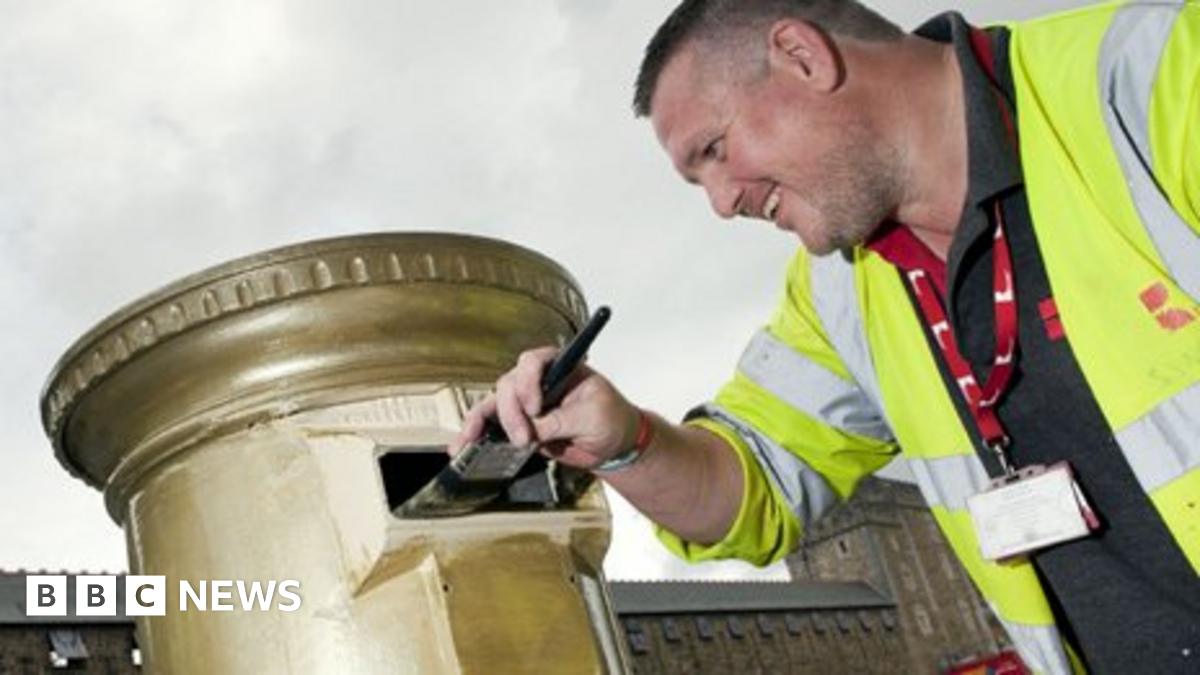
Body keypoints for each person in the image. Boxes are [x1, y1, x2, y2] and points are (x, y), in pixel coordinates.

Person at [452, 1, 1200, 673]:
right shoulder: (840, 290)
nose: (721, 203)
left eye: (713, 150)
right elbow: (748, 488)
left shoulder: (1155, 76)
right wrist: (621, 439)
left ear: (803, 57)